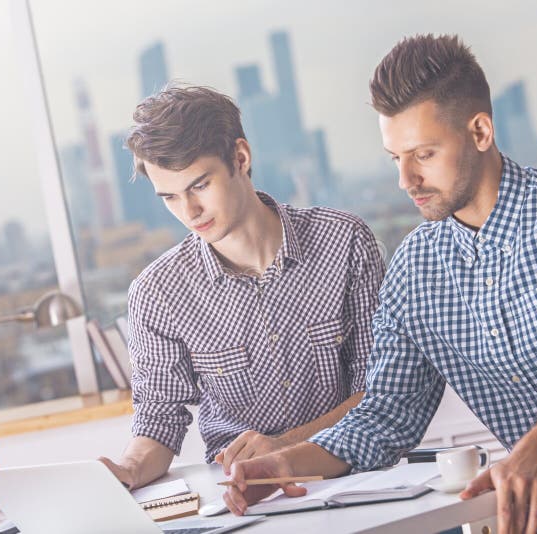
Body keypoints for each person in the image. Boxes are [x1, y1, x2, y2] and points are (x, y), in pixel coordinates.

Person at [222, 34, 537, 533]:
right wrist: (286, 463)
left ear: (480, 131)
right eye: (396, 158)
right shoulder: (415, 270)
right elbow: (388, 413)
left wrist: (535, 451)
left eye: (424, 154)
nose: (406, 180)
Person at [99, 85, 385, 491]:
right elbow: (159, 419)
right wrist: (128, 470)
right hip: (242, 498)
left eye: (199, 186)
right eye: (169, 197)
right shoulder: (157, 292)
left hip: (353, 478)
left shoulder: (344, 242)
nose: (189, 212)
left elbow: (380, 390)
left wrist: (285, 448)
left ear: (240, 158)